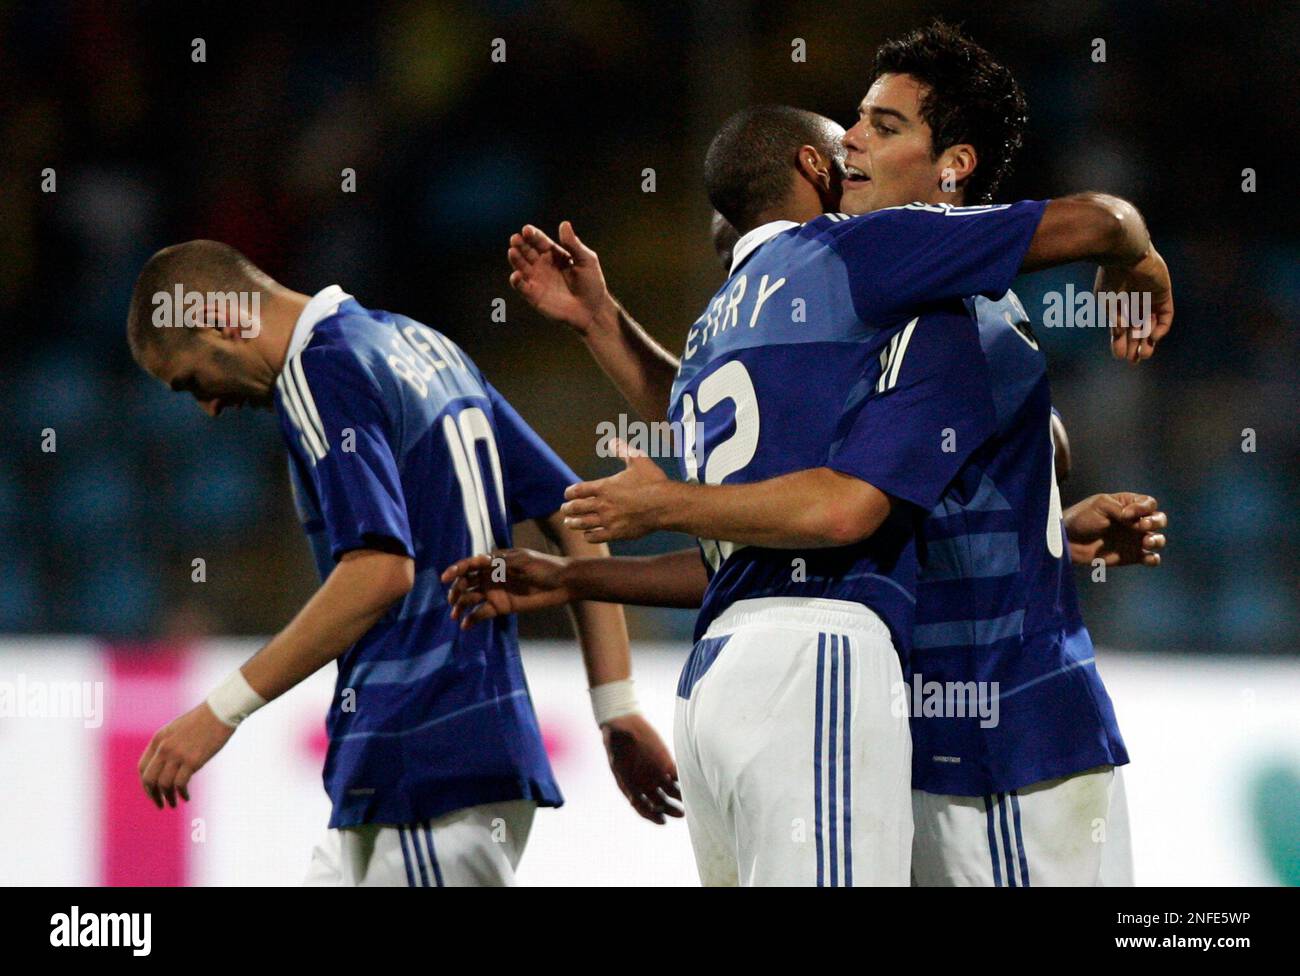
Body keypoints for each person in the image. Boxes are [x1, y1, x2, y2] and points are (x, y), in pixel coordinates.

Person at [451, 91, 1171, 885]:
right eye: (852, 132)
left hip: (737, 683)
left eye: (882, 127)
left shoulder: (719, 323)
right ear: (811, 168)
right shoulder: (862, 266)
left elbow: (770, 519)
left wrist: (1038, 524)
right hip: (878, 692)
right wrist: (1136, 258)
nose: (856, 146)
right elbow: (839, 510)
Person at [125, 240, 679, 887]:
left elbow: (379, 572)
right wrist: (615, 706)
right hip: (422, 763)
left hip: (427, 752)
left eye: (191, 380)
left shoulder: (320, 368)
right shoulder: (421, 345)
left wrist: (217, 712)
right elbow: (578, 521)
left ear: (222, 321)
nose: (208, 405)